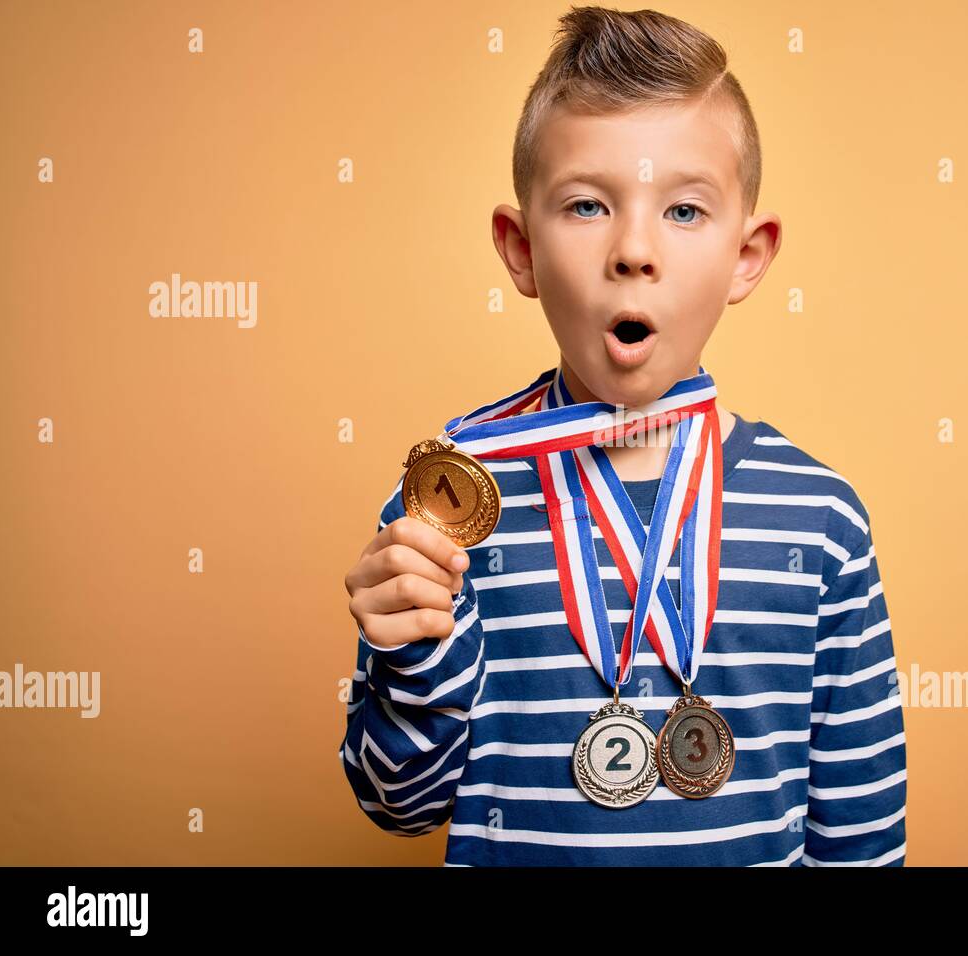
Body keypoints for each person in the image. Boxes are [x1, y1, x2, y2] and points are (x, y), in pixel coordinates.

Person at [339, 5, 906, 866]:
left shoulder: (821, 521)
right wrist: (412, 657)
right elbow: (399, 805)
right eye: (588, 205)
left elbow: (861, 836)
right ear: (520, 249)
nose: (635, 250)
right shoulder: (448, 511)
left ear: (747, 256)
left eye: (684, 211)